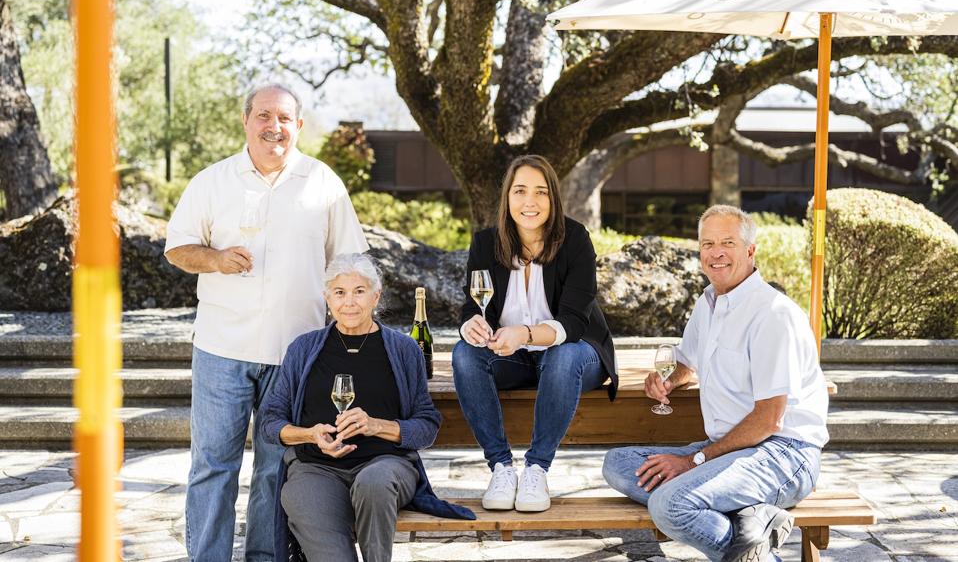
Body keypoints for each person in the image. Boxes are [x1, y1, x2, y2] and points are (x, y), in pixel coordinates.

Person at [164, 83, 368, 561]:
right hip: (222, 348)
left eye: (283, 118)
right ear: (245, 120)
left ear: (298, 126)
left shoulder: (323, 183)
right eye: (263, 115)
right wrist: (215, 259)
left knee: (277, 467)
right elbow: (177, 248)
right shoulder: (212, 181)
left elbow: (351, 262)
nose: (273, 126)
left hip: (296, 353)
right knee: (213, 466)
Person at [602, 205, 829, 562]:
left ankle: (758, 551)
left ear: (750, 251)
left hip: (783, 454)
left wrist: (693, 462)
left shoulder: (773, 314)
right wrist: (667, 379)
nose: (716, 253)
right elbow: (686, 362)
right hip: (729, 448)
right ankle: (751, 517)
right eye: (708, 244)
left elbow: (770, 419)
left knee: (669, 504)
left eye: (728, 243)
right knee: (618, 463)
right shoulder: (707, 302)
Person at [259, 253, 474, 561]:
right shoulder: (303, 349)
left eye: (359, 291)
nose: (349, 302)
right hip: (316, 468)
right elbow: (269, 421)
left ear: (376, 296)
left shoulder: (404, 349)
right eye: (339, 292)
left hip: (386, 465)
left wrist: (377, 426)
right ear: (327, 298)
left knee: (374, 482)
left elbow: (427, 425)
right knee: (305, 503)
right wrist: (309, 435)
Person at [453, 155, 618, 513]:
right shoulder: (485, 243)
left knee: (563, 354)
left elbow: (574, 322)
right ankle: (501, 467)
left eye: (541, 192)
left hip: (577, 355)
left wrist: (525, 333)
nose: (530, 201)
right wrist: (472, 326)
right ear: (507, 197)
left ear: (553, 198)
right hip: (513, 358)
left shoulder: (575, 239)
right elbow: (473, 307)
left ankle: (536, 469)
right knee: (464, 353)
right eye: (520, 191)